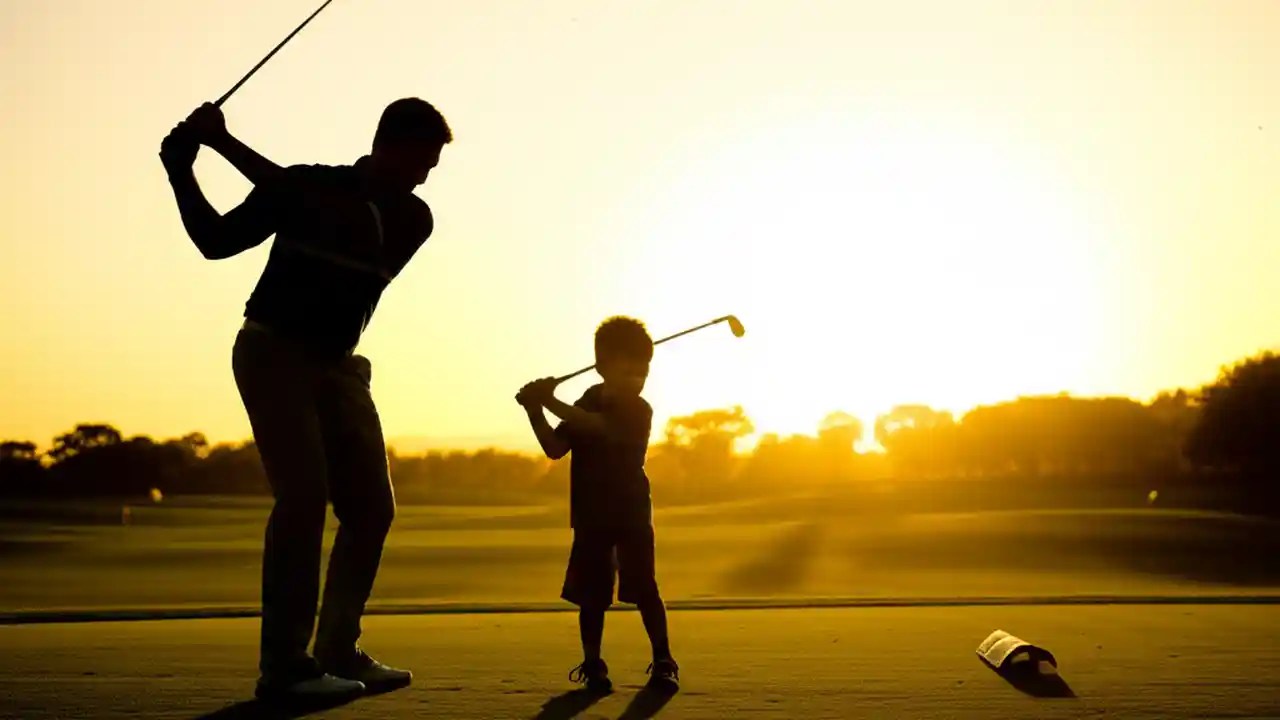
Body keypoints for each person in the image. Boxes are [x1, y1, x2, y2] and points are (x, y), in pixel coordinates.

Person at [159, 98, 451, 703]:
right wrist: (182, 170)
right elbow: (215, 242)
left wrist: (222, 142)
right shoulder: (304, 185)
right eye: (424, 160)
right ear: (389, 145)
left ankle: (337, 649)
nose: (428, 175)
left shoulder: (409, 217)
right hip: (272, 353)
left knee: (371, 508)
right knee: (303, 498)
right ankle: (285, 668)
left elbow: (330, 216)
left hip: (339, 367)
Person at [516, 317, 680, 694]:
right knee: (591, 595)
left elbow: (597, 426)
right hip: (590, 513)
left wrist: (549, 399)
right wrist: (533, 409)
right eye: (630, 370)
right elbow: (555, 449)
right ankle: (593, 665)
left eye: (645, 371)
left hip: (631, 511)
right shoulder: (588, 398)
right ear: (603, 366)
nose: (639, 379)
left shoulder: (640, 409)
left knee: (644, 587)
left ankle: (664, 661)